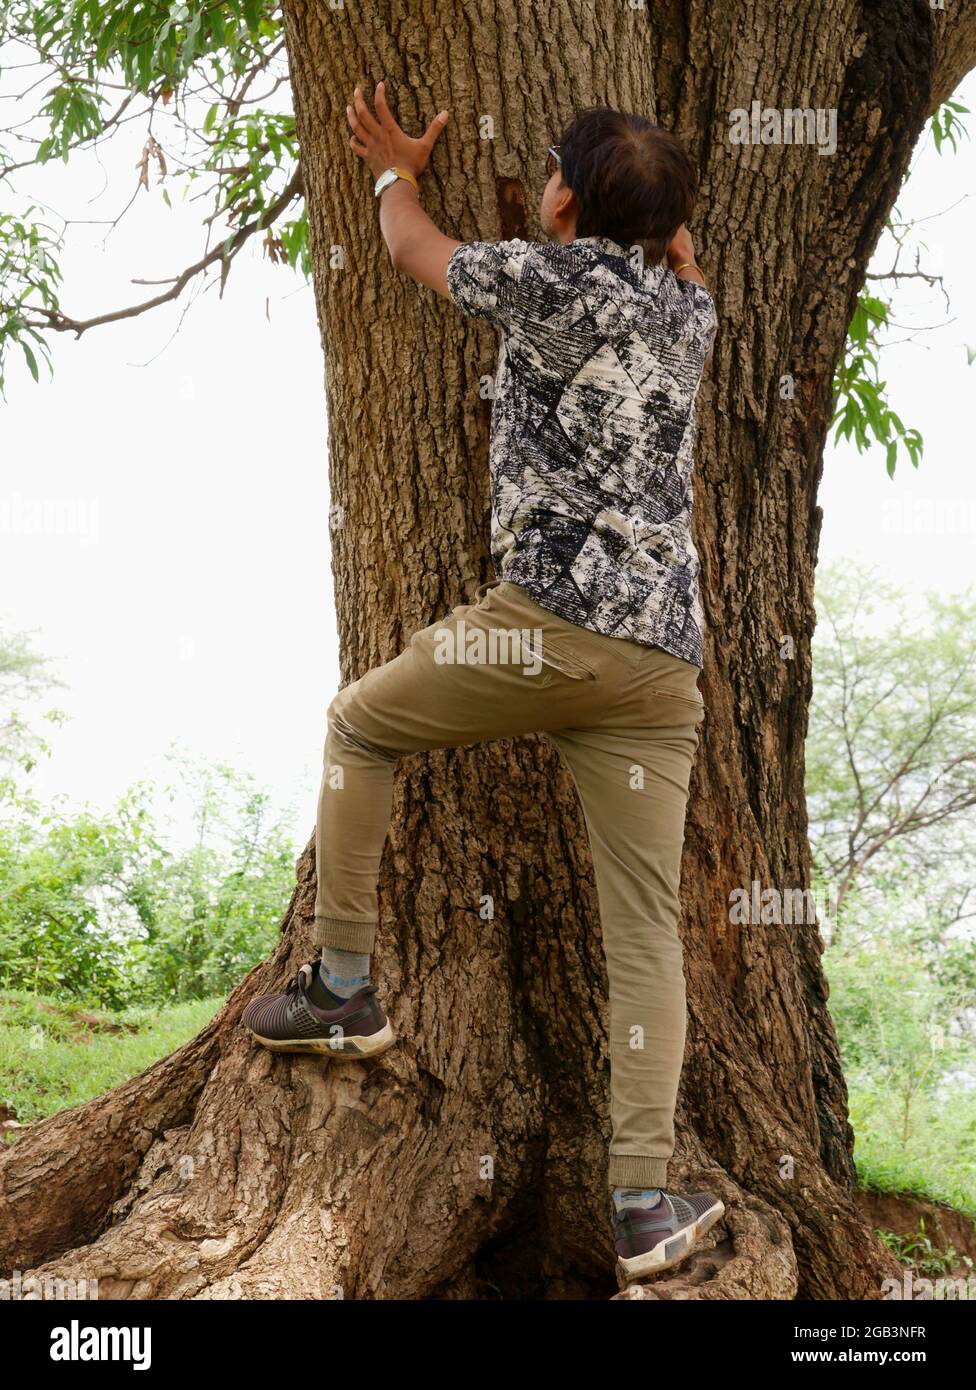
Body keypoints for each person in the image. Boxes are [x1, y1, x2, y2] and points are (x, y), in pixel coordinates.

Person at [243, 85, 724, 1283]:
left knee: (360, 726)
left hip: (539, 634)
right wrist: (658, 225)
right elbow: (683, 257)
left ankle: (343, 985)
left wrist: (393, 170)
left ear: (559, 199)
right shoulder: (691, 313)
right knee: (643, 935)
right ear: (670, 227)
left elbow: (411, 246)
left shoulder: (541, 281)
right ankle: (644, 1206)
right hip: (662, 665)